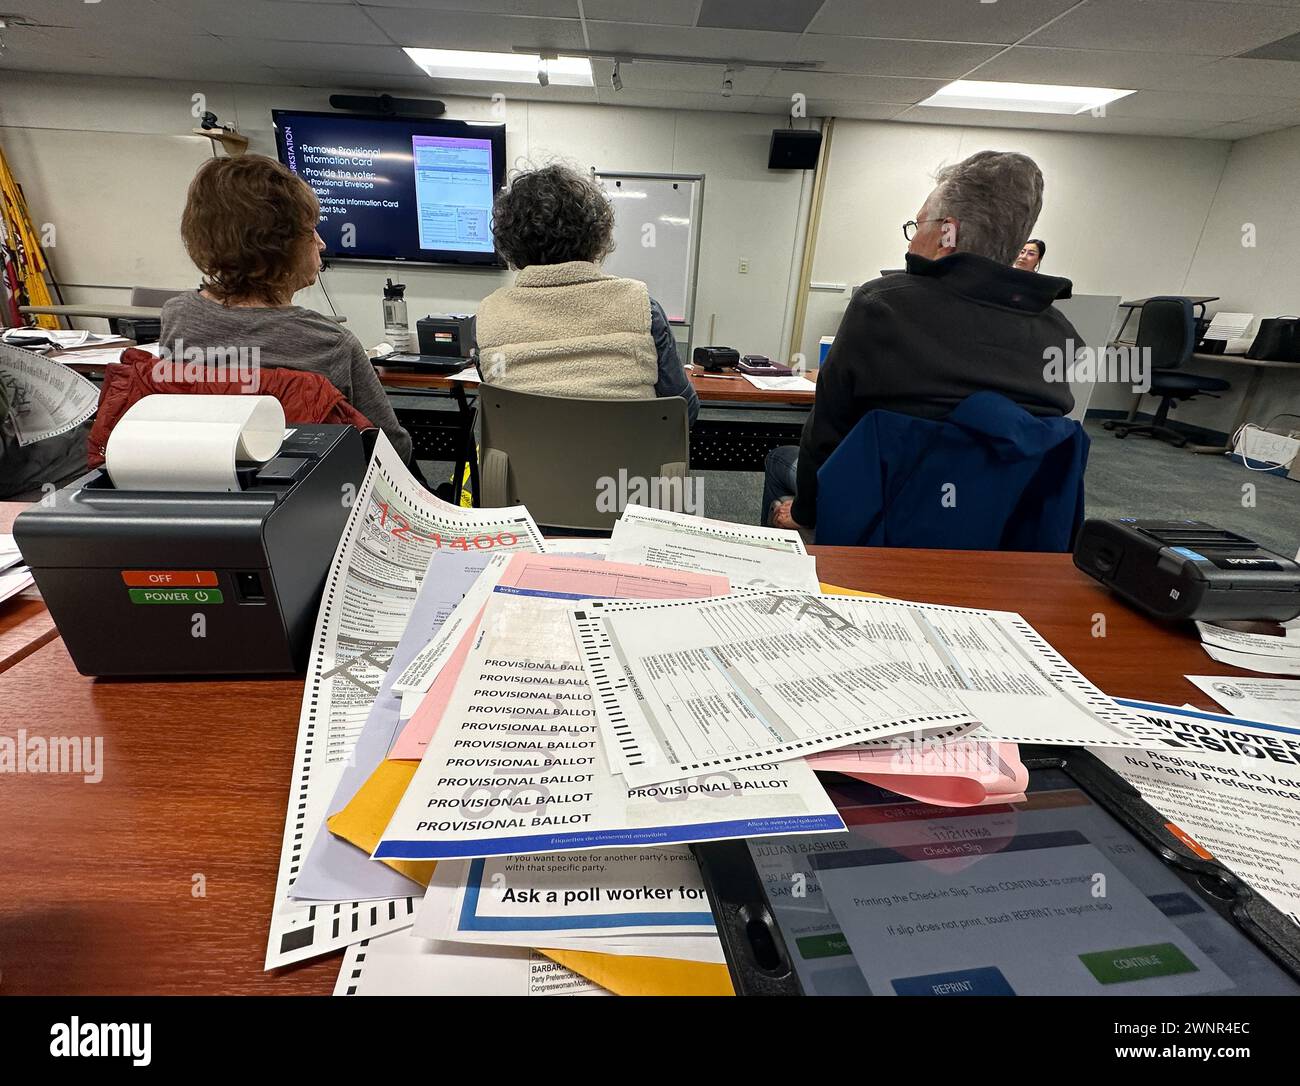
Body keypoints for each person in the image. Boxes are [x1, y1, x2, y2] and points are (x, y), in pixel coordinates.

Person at [765, 151, 1076, 532]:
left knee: (782, 460)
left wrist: (804, 516)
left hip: (880, 520)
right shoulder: (1059, 334)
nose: (911, 243)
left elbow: (827, 434)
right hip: (996, 528)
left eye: (918, 226)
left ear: (948, 232)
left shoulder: (882, 306)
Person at [159, 154, 413, 463]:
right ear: (279, 245)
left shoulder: (178, 317)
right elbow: (391, 448)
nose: (320, 243)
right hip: (313, 495)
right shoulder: (331, 344)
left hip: (198, 482)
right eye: (310, 231)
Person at [474, 164, 698, 425]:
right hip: (629, 464)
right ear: (598, 235)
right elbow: (684, 412)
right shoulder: (642, 307)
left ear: (509, 244)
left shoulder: (490, 314)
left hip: (527, 465)